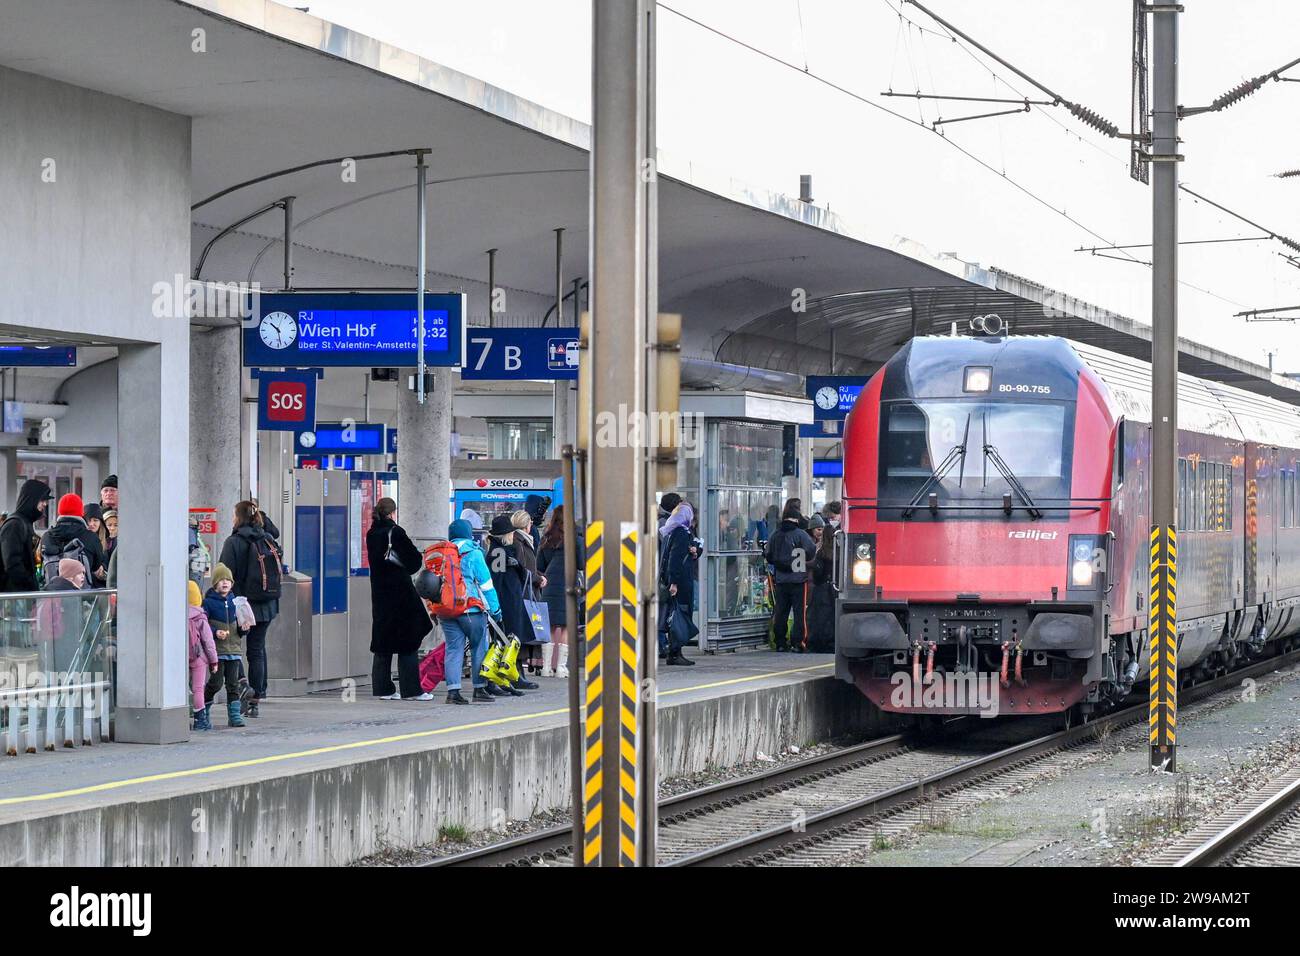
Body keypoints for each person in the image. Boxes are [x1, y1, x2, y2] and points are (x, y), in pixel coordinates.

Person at [366, 497, 434, 701]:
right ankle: (411, 689)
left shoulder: (371, 533)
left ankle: (383, 689)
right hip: (401, 592)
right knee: (409, 640)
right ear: (392, 513)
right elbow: (414, 561)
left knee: (383, 641)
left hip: (379, 593)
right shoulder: (396, 532)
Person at [218, 501, 281, 717]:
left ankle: (243, 684)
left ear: (237, 517)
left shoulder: (234, 542)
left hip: (242, 605)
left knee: (231, 647)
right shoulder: (268, 538)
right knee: (256, 650)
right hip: (267, 604)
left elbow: (225, 574)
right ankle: (256, 698)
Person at [445, 518, 504, 704]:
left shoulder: (443, 552)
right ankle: (479, 689)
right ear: (469, 534)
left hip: (446, 610)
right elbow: (486, 585)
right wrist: (496, 610)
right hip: (471, 609)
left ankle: (453, 692)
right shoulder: (474, 552)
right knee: (479, 647)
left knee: (453, 649)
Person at [485, 513, 537, 691]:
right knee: (506, 640)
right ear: (506, 534)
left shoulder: (500, 550)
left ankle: (509, 675)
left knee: (508, 640)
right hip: (506, 602)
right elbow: (498, 579)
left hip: (509, 600)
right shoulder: (499, 552)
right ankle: (505, 676)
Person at [202, 563, 250, 727]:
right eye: (221, 580)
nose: (225, 583)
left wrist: (244, 629)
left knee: (233, 684)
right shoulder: (208, 603)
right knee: (215, 683)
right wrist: (215, 632)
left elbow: (242, 627)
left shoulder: (236, 602)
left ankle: (234, 715)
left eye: (228, 580)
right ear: (215, 583)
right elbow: (204, 624)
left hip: (234, 649)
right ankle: (204, 710)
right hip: (217, 651)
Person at [764, 500, 817, 652]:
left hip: (780, 580)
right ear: (796, 519)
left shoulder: (775, 535)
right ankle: (798, 642)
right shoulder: (800, 535)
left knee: (781, 611)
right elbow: (811, 550)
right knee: (799, 612)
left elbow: (768, 555)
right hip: (798, 579)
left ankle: (780, 642)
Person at [658, 501, 698, 665]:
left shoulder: (671, 531)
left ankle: (674, 652)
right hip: (680, 582)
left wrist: (694, 551)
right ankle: (675, 653)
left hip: (673, 580)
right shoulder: (681, 532)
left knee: (675, 616)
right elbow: (675, 559)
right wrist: (674, 583)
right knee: (679, 617)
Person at [40, 493, 107, 589]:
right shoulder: (91, 537)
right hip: (82, 598)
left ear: (60, 511)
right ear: (81, 512)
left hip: (53, 596)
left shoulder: (46, 536)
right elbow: (96, 568)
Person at [511, 508, 547, 675]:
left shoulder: (524, 540)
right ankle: (518, 670)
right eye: (530, 523)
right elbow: (522, 568)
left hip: (528, 590)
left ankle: (521, 669)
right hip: (525, 593)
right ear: (526, 525)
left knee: (525, 629)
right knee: (524, 630)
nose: (532, 525)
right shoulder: (519, 542)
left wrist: (539, 575)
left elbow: (528, 567)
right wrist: (538, 579)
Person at [1, 478, 52, 592]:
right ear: (32, 499)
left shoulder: (24, 523)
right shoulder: (14, 525)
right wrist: (28, 585)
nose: (45, 504)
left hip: (21, 595)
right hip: (15, 596)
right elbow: (12, 563)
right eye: (42, 500)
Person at [537, 506, 568, 678]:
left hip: (548, 586)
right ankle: (561, 668)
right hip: (566, 586)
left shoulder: (546, 539)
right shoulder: (573, 539)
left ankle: (546, 667)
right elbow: (581, 563)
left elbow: (539, 565)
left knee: (549, 626)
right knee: (565, 627)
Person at [187, 580, 219, 731]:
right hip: (199, 658)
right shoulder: (200, 616)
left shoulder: (175, 614)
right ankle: (200, 720)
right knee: (198, 688)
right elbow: (208, 641)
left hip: (181, 657)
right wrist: (214, 661)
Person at [807, 515, 836, 653]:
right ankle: (831, 643)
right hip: (835, 589)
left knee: (819, 617)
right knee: (832, 617)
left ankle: (817, 643)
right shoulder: (839, 553)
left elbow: (818, 574)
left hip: (822, 589)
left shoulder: (821, 553)